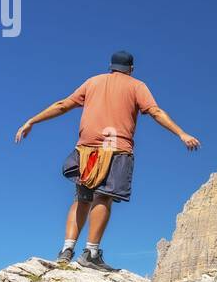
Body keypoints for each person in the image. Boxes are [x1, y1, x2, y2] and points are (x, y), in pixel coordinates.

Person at [14, 50, 199, 270]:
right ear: (131, 69)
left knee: (82, 198)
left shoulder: (92, 82)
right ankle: (91, 253)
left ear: (110, 66)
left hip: (86, 150)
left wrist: (32, 121)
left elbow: (63, 105)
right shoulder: (137, 86)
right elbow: (156, 111)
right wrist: (181, 133)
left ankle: (66, 250)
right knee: (103, 198)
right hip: (116, 149)